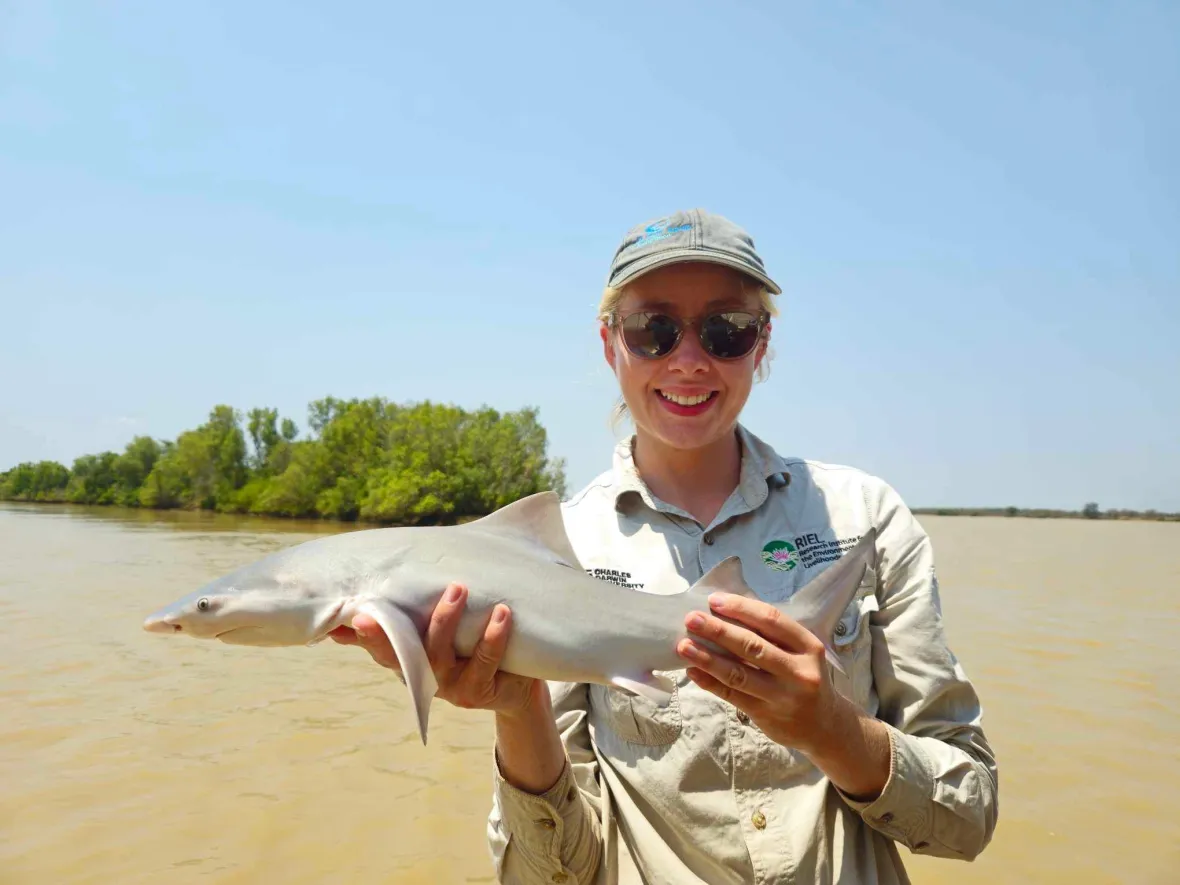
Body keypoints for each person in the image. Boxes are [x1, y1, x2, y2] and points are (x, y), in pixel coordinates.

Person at [330, 209, 999, 884]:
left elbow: (969, 817)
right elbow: (555, 874)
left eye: (726, 329)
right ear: (609, 343)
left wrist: (830, 727)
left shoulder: (864, 517)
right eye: (653, 330)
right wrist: (518, 705)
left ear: (762, 343)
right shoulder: (550, 549)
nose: (688, 360)